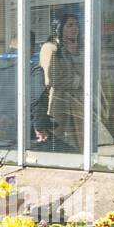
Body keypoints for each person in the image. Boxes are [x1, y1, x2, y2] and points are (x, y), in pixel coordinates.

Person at [0, 34, 50, 149]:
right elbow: (38, 100)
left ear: (10, 45)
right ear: (30, 48)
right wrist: (40, 128)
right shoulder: (33, 71)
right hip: (21, 139)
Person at [39, 14, 84, 151]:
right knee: (57, 139)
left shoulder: (76, 48)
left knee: (79, 141)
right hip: (58, 102)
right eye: (70, 25)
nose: (74, 28)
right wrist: (77, 81)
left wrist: (75, 53)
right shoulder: (50, 48)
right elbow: (50, 78)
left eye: (76, 25)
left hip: (76, 103)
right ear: (60, 28)